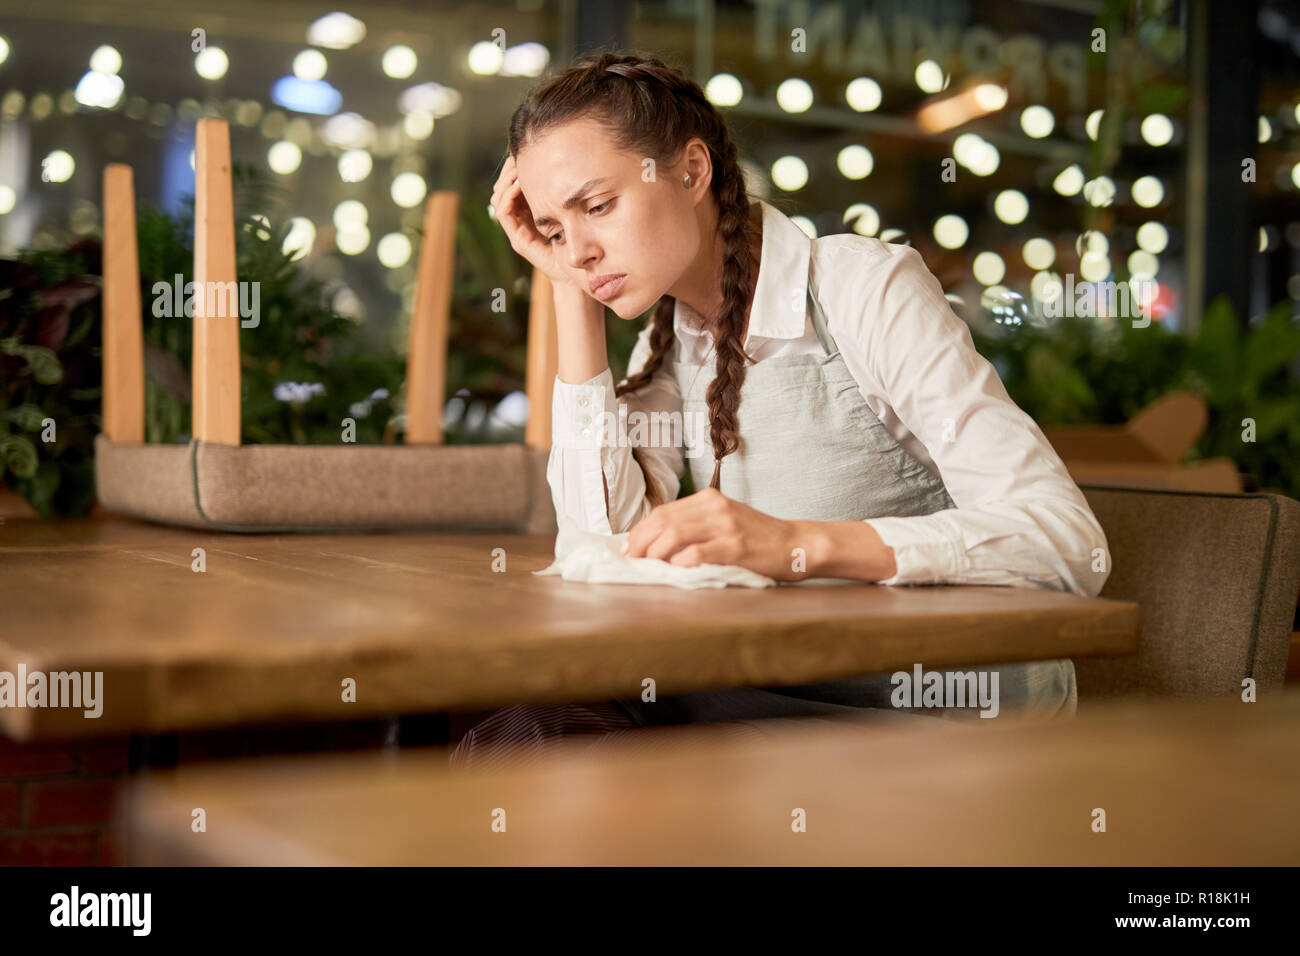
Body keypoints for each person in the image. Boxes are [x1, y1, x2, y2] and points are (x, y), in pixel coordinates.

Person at [450, 49, 1110, 770]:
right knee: (516, 719)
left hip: (930, 733)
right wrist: (566, 293)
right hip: (751, 705)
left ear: (691, 171)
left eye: (598, 207)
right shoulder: (671, 338)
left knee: (544, 751)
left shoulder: (864, 289)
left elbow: (1068, 543)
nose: (576, 249)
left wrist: (798, 544)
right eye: (551, 229)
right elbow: (599, 551)